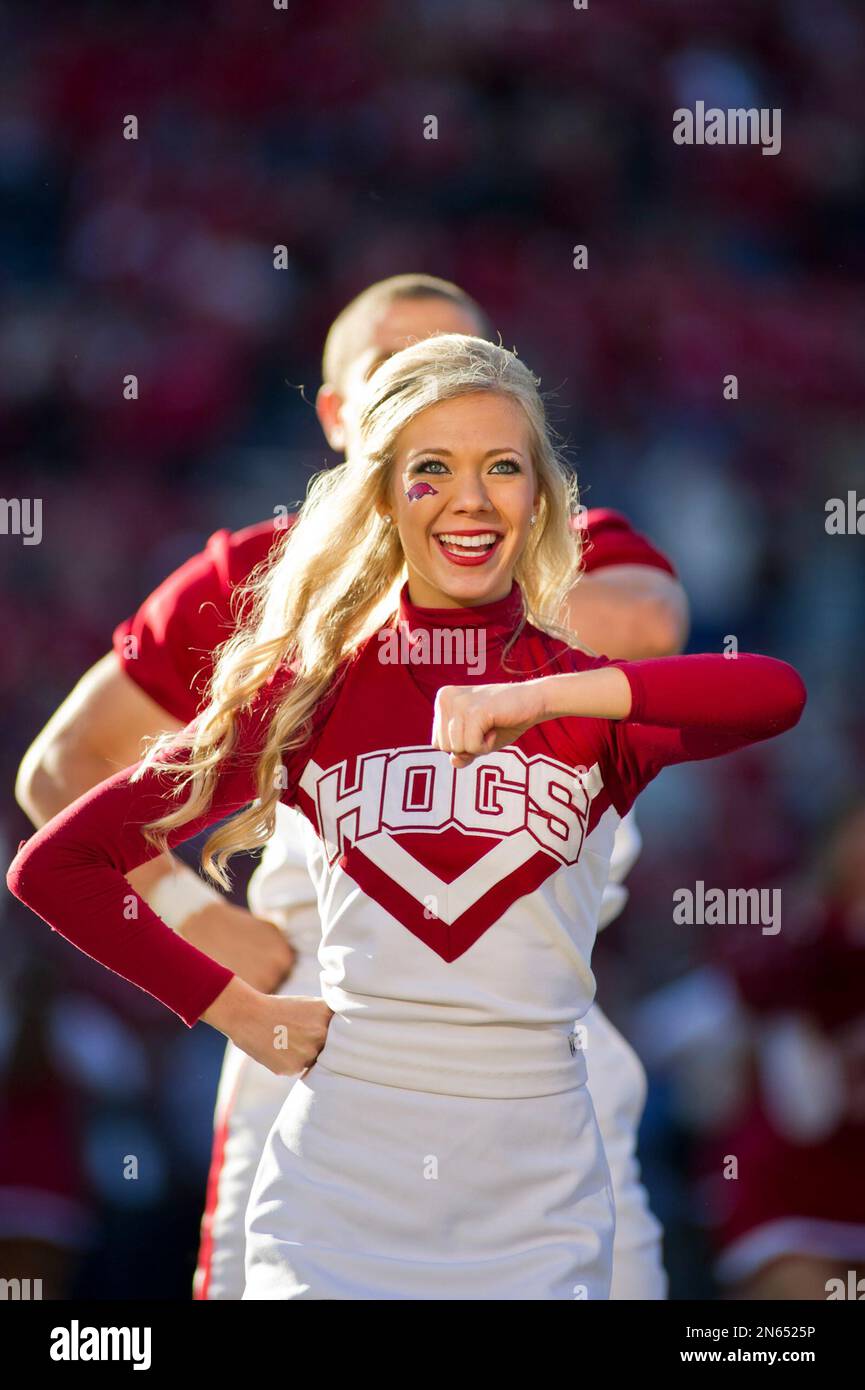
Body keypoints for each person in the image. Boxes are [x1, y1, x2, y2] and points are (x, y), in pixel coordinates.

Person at [9, 334, 805, 1299]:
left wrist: (534, 700)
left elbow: (770, 692)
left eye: (502, 467)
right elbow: (58, 862)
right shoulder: (309, 696)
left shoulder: (587, 703)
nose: (471, 498)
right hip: (336, 1189)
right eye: (431, 470)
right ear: (382, 495)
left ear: (542, 499)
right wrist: (233, 1007)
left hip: (538, 1188)